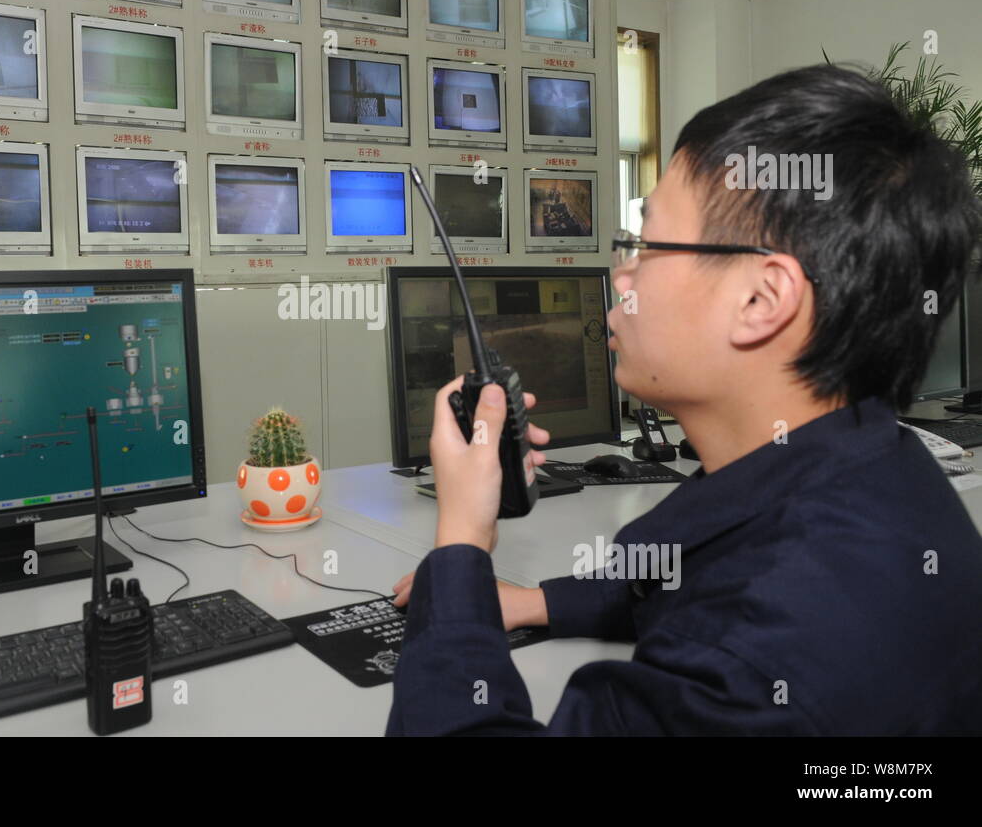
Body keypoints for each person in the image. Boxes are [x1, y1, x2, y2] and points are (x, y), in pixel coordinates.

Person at [385, 63, 982, 735]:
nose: (621, 271)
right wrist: (539, 602)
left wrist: (462, 539)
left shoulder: (748, 669)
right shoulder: (878, 467)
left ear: (761, 299)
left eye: (646, 244)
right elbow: (706, 560)